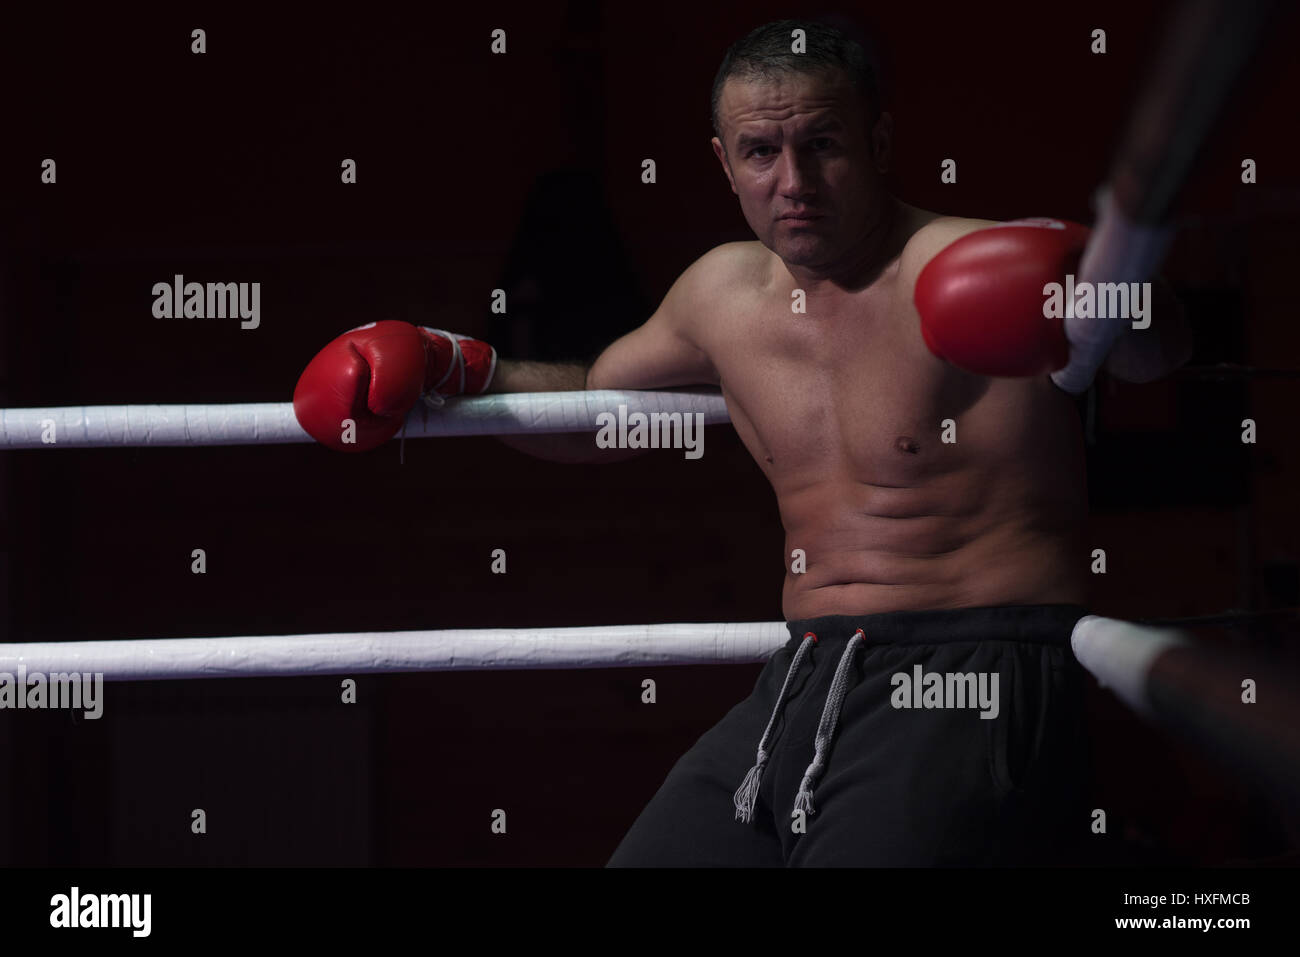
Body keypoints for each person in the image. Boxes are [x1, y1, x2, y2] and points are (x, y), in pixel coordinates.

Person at [293, 19, 1194, 865]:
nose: (793, 181)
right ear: (726, 164)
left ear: (877, 144)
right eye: (762, 153)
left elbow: (1159, 355)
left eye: (824, 145)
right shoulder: (721, 295)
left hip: (974, 663)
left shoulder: (974, 258)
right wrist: (460, 368)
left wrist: (1103, 283)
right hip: (806, 668)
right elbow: (598, 413)